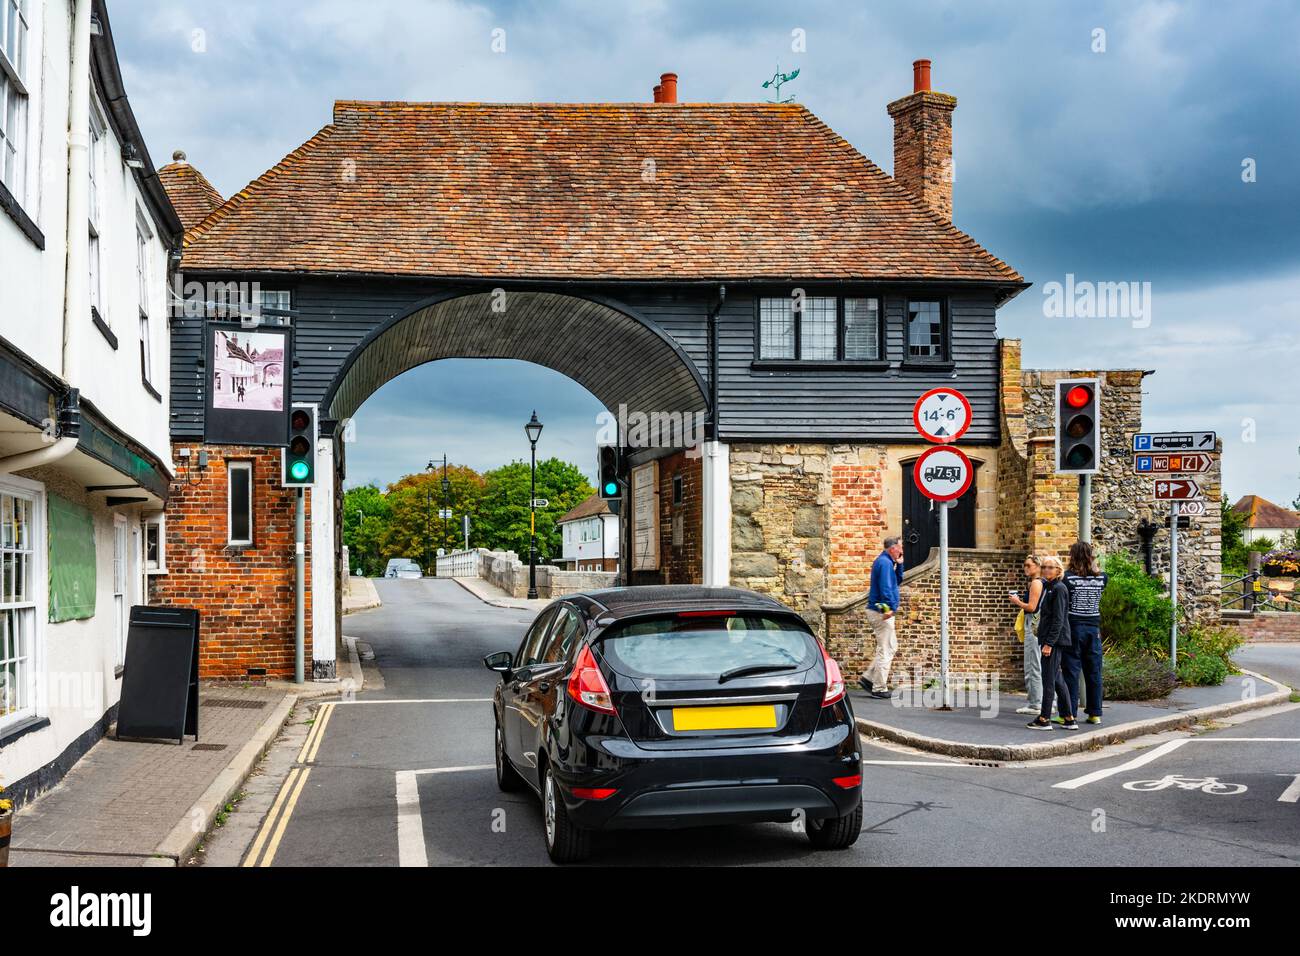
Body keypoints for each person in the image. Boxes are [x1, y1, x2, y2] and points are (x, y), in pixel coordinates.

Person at [1026, 556, 1077, 731]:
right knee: (1057, 679)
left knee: (1048, 679)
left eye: (1051, 567)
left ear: (1058, 570)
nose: (1046, 570)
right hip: (1050, 639)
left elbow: (1059, 619)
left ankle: (1044, 718)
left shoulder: (1059, 589)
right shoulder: (1050, 587)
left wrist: (1049, 644)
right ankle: (1069, 717)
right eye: (1044, 567)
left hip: (1053, 641)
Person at [1064, 541, 1108, 725]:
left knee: (1071, 671)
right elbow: (1099, 575)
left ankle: (1069, 712)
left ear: (1073, 556)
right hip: (1093, 628)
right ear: (1091, 556)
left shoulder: (1068, 579)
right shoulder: (1102, 578)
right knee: (1094, 671)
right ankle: (1094, 712)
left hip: (1074, 626)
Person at [858, 536, 905, 699]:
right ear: (893, 548)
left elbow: (897, 581)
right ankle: (878, 687)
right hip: (881, 611)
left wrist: (899, 565)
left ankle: (869, 678)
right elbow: (885, 588)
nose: (901, 550)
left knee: (890, 647)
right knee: (885, 649)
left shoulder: (886, 562)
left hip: (879, 610)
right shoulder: (884, 563)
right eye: (900, 547)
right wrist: (890, 608)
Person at [1008, 555, 1045, 715]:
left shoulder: (1037, 583)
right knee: (1041, 665)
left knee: (1032, 665)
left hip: (1034, 625)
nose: (1025, 568)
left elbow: (1031, 607)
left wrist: (1016, 601)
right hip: (1040, 625)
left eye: (1028, 565)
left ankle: (1035, 704)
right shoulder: (1045, 583)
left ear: (1038, 566)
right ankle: (1047, 701)